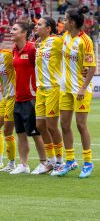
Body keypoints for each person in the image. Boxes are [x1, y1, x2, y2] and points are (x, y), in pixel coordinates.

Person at [55, 7, 95, 178]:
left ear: (72, 22)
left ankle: (88, 162)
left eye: (65, 19)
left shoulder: (85, 41)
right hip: (65, 89)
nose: (63, 22)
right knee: (64, 125)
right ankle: (70, 160)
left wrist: (83, 87)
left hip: (80, 89)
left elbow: (92, 67)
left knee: (80, 125)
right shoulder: (65, 37)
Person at [9, 21, 49, 175]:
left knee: (35, 133)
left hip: (32, 97)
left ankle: (43, 162)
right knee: (20, 133)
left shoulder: (33, 49)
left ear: (24, 32)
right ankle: (23, 164)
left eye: (15, 29)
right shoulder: (14, 50)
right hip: (18, 97)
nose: (11, 32)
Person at [34, 17, 64, 173]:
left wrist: (84, 68)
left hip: (53, 87)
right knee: (40, 126)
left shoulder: (57, 41)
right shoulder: (39, 44)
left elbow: (71, 53)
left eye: (40, 24)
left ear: (49, 29)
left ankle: (60, 161)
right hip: (40, 89)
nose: (36, 26)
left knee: (52, 126)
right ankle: (51, 161)